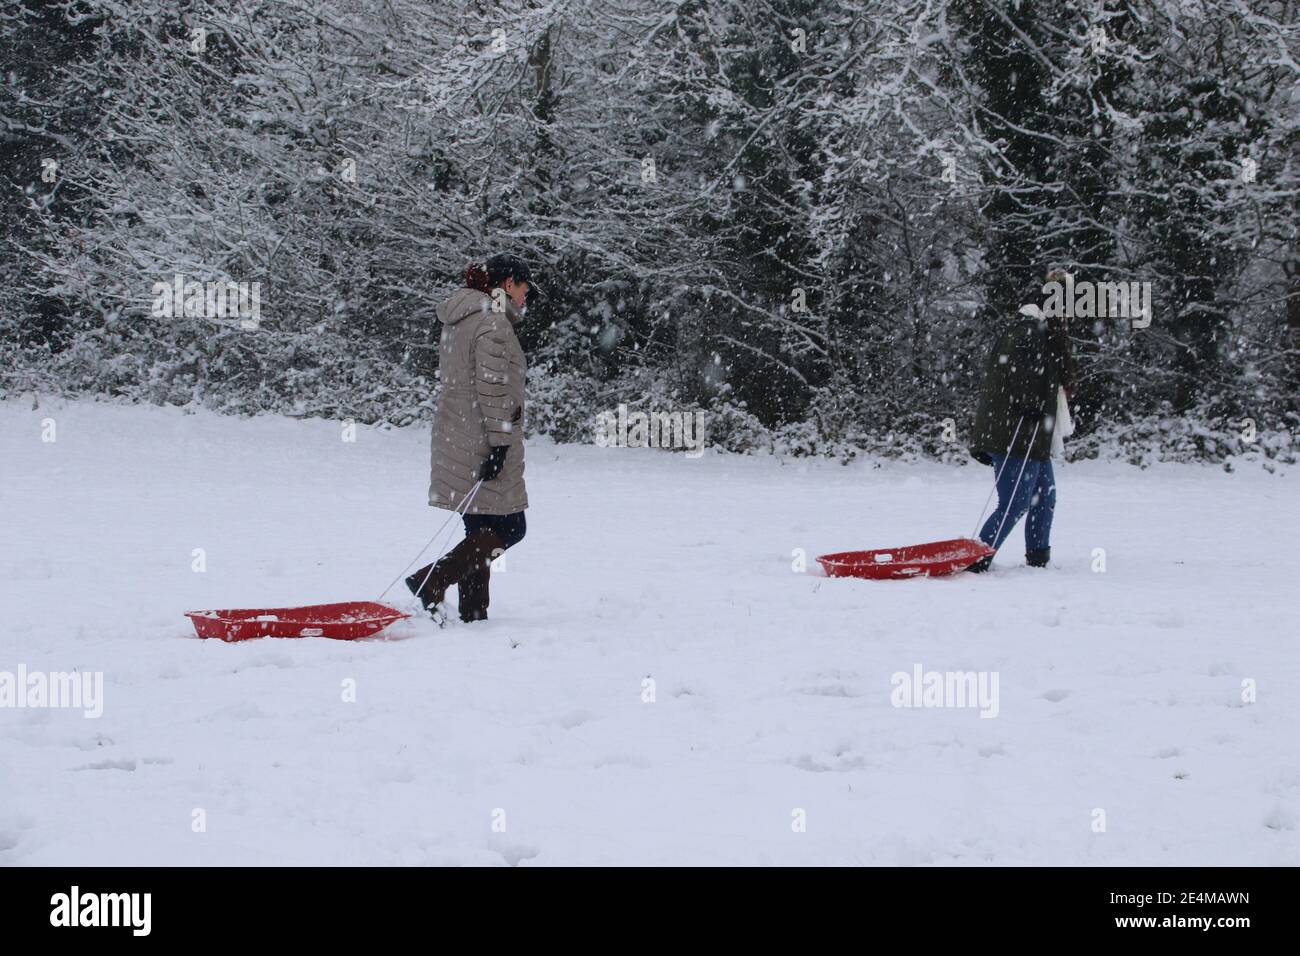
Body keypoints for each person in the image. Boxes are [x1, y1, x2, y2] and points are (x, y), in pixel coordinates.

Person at [406, 253, 537, 621]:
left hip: (455, 434)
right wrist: (500, 442)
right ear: (507, 284)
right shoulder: (493, 323)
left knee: (481, 526)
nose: (527, 294)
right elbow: (492, 389)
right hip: (483, 437)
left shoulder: (460, 318)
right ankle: (430, 579)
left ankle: (474, 614)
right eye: (524, 286)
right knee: (512, 527)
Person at [968, 268, 1076, 572]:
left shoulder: (1045, 332)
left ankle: (1038, 558)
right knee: (1015, 502)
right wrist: (1031, 405)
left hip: (1032, 431)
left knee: (1045, 496)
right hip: (1013, 430)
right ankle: (976, 560)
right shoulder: (1027, 330)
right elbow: (1017, 376)